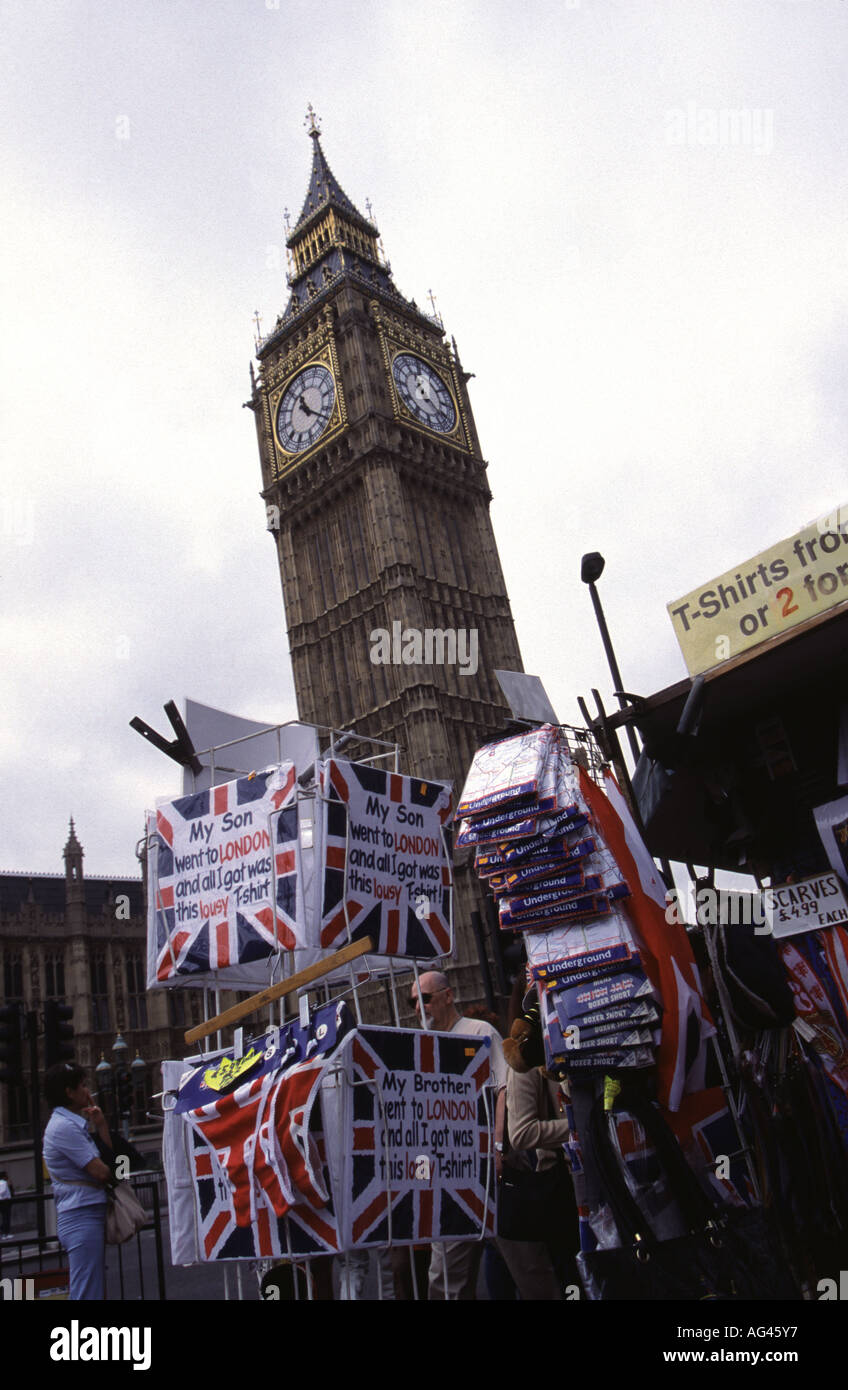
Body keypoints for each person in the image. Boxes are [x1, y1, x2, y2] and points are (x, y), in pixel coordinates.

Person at [409, 970, 507, 1300]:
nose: (418, 1009)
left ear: (448, 996)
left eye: (424, 999)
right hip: (449, 1178)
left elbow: (505, 1087)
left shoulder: (479, 1032)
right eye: (413, 1003)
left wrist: (498, 1143)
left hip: (490, 1171)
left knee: (525, 1266)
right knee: (445, 1279)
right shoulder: (424, 1047)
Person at [42, 1062, 114, 1300]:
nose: (88, 1091)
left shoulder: (74, 1125)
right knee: (87, 1293)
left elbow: (110, 1159)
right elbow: (104, 1171)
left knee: (91, 1288)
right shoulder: (63, 1128)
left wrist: (101, 1124)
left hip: (87, 1213)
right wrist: (119, 1171)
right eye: (83, 1085)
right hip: (80, 1216)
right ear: (68, 1092)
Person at [0, 1171, 11, 1238]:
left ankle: (6, 1233)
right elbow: (2, 1192)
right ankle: (4, 1233)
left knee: (6, 1217)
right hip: (4, 1202)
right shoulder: (3, 1183)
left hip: (4, 1201)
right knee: (6, 1217)